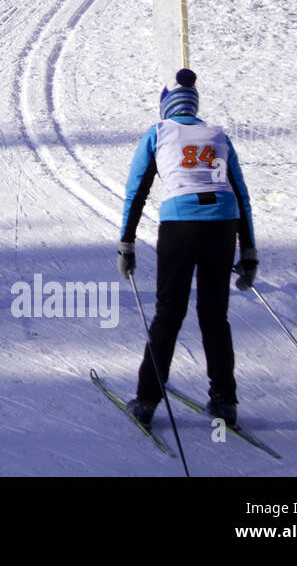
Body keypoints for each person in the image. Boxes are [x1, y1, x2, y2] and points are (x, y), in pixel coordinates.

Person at [117, 69, 259, 428]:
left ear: (167, 106)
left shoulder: (159, 132)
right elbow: (241, 193)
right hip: (223, 224)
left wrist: (127, 242)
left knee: (169, 312)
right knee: (214, 315)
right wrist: (249, 251)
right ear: (194, 107)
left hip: (180, 225)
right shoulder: (218, 134)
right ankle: (225, 401)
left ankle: (147, 399)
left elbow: (138, 190)